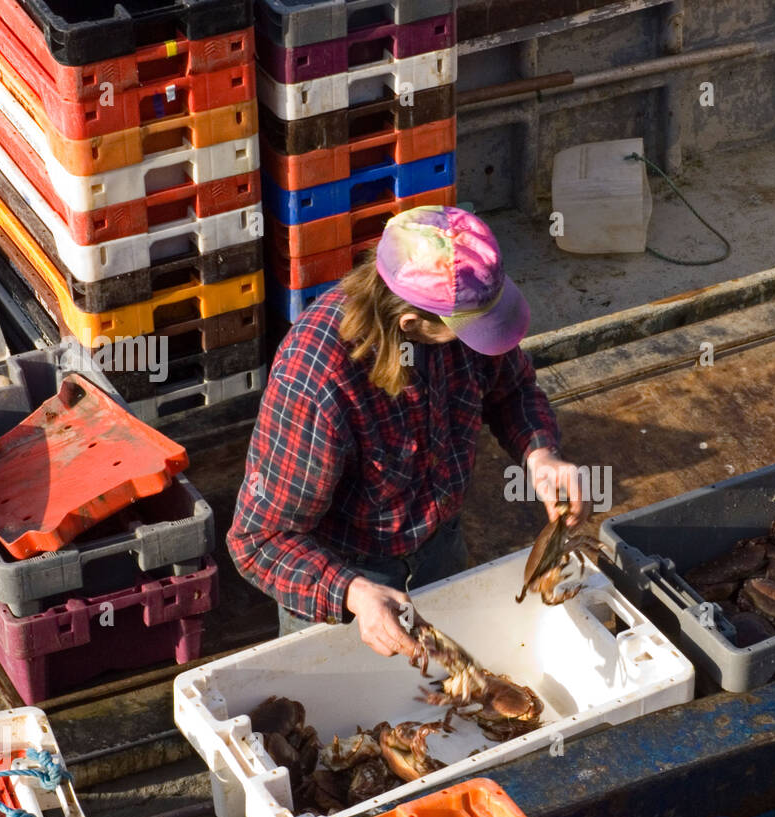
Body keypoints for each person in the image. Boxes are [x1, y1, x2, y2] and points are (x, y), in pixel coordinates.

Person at [227, 206, 590, 659]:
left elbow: (512, 389)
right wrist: (354, 593)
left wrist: (540, 454)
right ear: (411, 324)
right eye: (467, 330)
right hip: (349, 579)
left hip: (441, 549)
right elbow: (258, 542)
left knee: (455, 681)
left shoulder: (458, 324)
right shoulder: (315, 383)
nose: (476, 340)